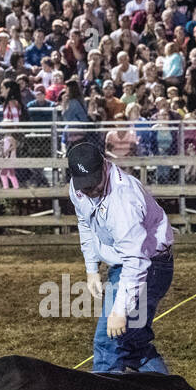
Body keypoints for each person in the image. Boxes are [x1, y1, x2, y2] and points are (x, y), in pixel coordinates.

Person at [66, 140, 174, 374]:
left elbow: (136, 261)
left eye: (94, 184)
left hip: (148, 267)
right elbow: (85, 222)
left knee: (108, 342)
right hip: (127, 264)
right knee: (133, 344)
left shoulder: (123, 200)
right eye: (84, 186)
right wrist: (91, 268)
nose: (90, 191)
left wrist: (120, 310)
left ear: (104, 165)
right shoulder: (78, 189)